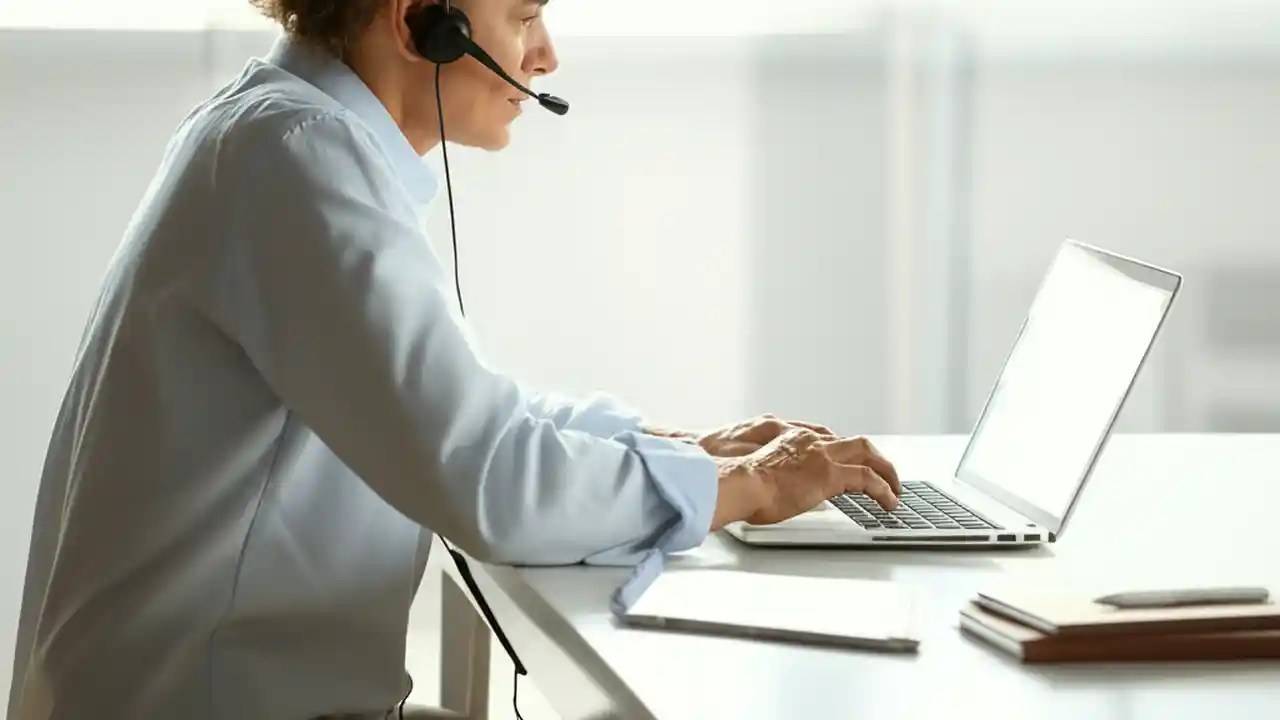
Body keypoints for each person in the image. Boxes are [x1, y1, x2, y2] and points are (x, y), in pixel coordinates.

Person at [7, 1, 901, 718]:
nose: (546, 56)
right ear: (419, 23)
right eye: (524, 17)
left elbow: (465, 411)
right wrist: (752, 489)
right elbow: (492, 479)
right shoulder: (296, 158)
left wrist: (686, 449)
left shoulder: (284, 135)